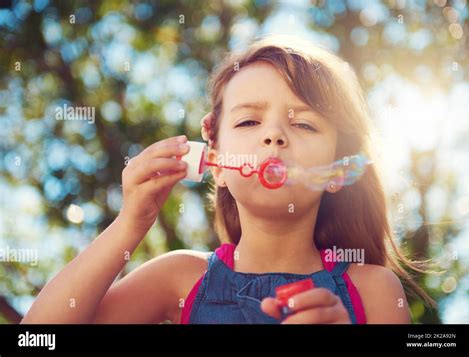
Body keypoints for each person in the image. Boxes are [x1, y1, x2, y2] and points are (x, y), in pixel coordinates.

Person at [22, 34, 433, 324]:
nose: (274, 136)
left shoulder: (373, 288)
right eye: (250, 120)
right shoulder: (180, 278)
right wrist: (130, 224)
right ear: (216, 161)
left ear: (336, 171)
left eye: (304, 125)